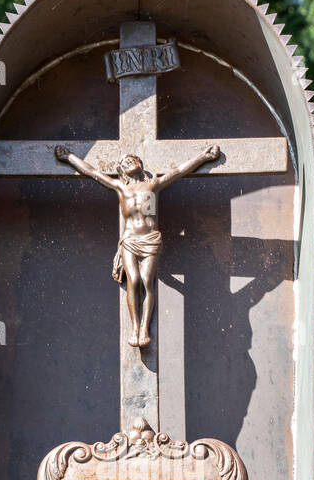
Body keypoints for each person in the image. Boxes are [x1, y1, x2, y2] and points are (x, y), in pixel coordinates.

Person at [53, 142, 220, 348]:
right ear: (121, 170)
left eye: (133, 159)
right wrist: (69, 157)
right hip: (130, 239)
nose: (129, 160)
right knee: (133, 280)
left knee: (146, 280)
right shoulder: (121, 187)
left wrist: (203, 157)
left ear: (140, 164)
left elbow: (179, 171)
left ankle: (144, 329)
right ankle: (134, 328)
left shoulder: (153, 185)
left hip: (150, 238)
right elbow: (93, 173)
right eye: (125, 161)